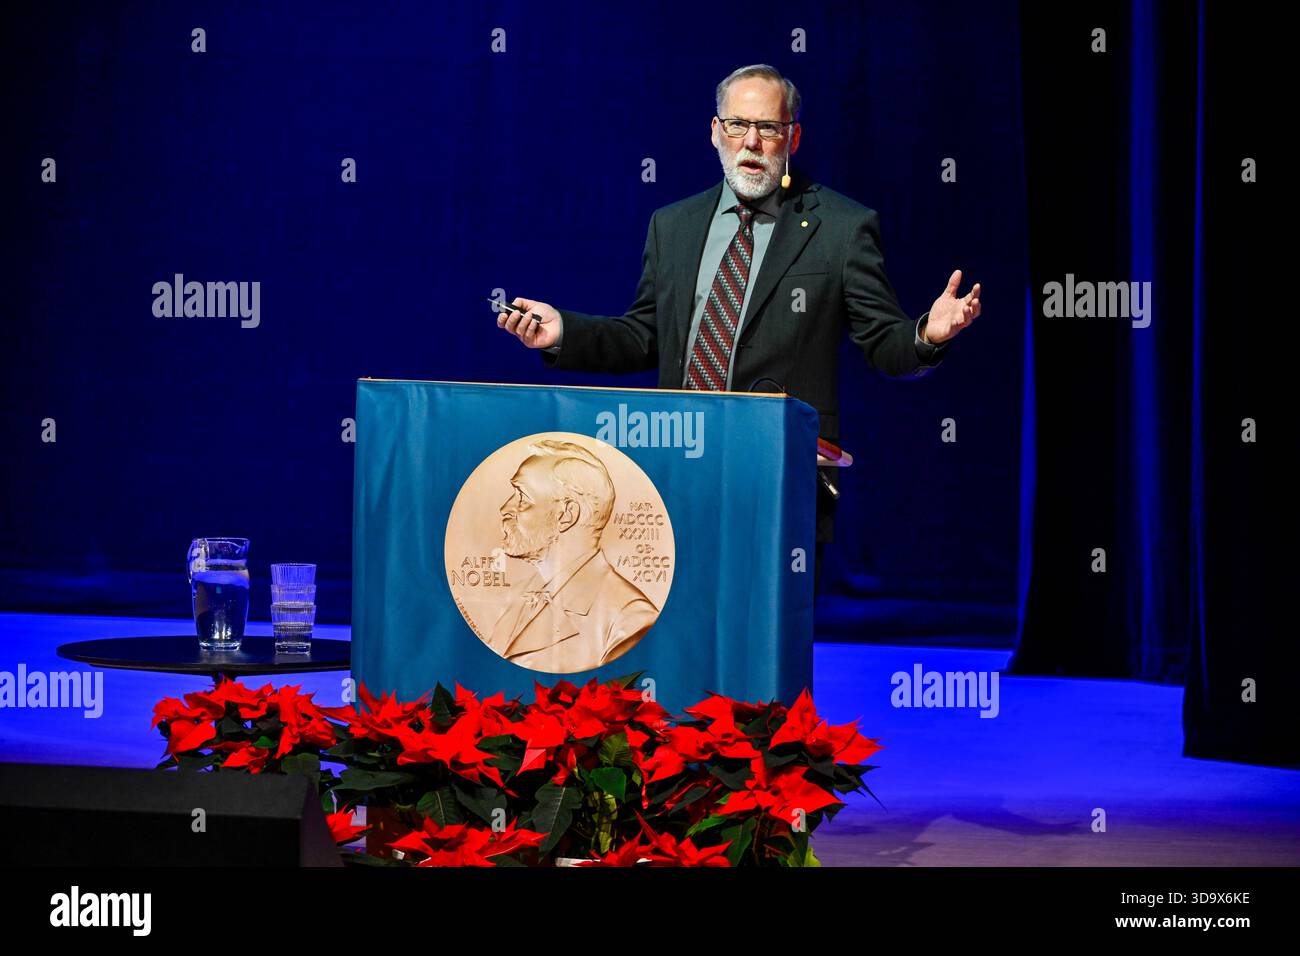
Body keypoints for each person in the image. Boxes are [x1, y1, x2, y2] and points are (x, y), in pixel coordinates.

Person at [496, 63, 980, 548]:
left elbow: (883, 342)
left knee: (764, 624)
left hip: (780, 477)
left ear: (792, 139)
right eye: (737, 125)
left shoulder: (841, 228)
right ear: (715, 132)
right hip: (677, 472)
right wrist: (564, 333)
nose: (751, 141)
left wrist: (924, 335)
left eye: (768, 127)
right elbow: (644, 337)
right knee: (678, 622)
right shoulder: (673, 225)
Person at [488, 440, 658, 672]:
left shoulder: (630, 620)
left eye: (522, 498)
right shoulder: (521, 596)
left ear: (566, 515)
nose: (505, 508)